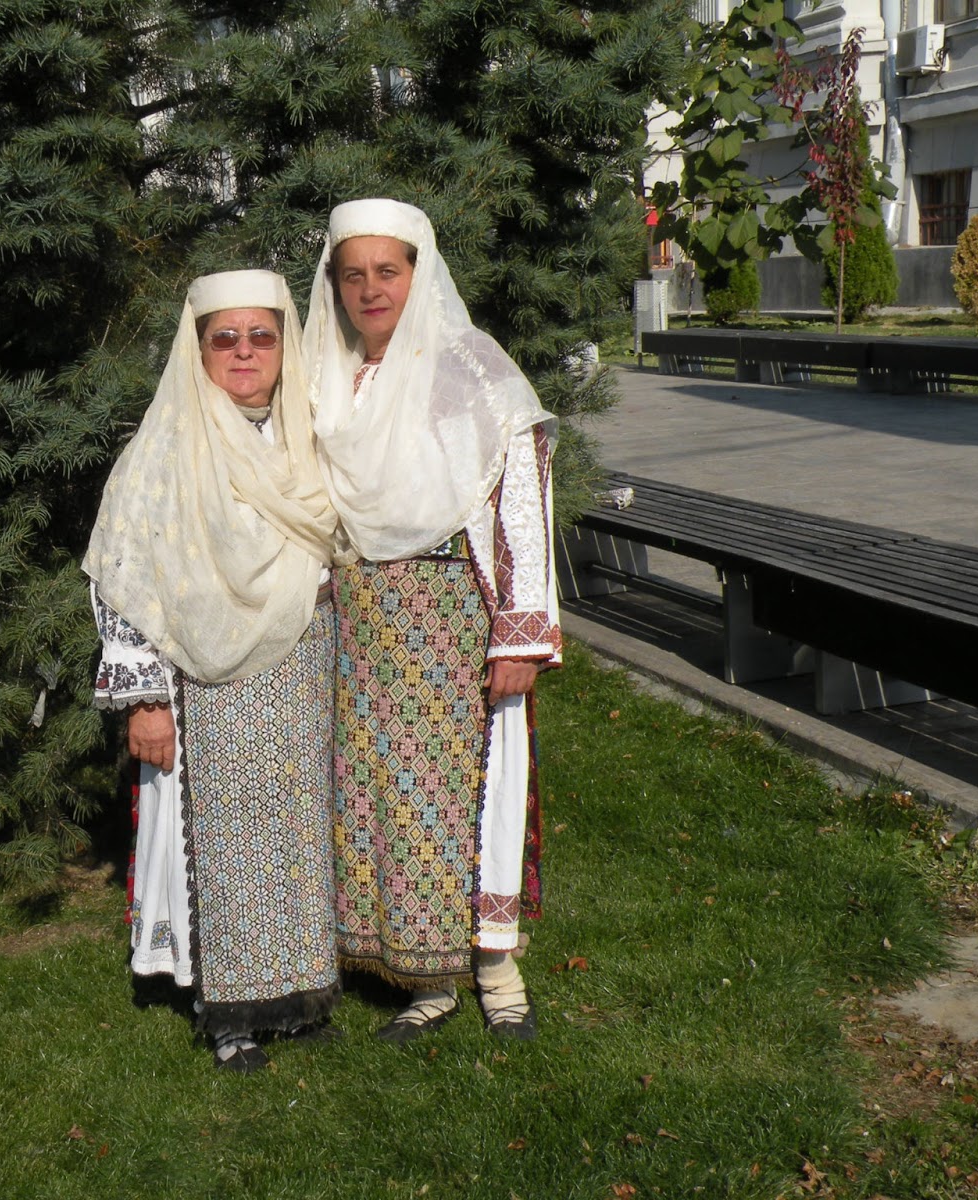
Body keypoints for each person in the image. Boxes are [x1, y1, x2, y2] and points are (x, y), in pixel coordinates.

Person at [303, 198, 562, 1042]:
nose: (372, 289)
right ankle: (425, 976)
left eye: (389, 270)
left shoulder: (468, 367)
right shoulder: (330, 376)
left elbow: (520, 490)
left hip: (451, 608)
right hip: (360, 617)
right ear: (335, 285)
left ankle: (496, 968)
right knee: (381, 796)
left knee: (464, 792)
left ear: (419, 273)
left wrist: (520, 631)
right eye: (355, 274)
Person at [83, 269, 345, 1072]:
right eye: (223, 338)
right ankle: (228, 1007)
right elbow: (124, 577)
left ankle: (298, 990)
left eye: (260, 336)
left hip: (301, 673)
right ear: (195, 351)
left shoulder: (308, 434)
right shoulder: (164, 447)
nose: (243, 352)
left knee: (299, 831)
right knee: (225, 839)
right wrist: (145, 701)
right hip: (206, 684)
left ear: (283, 345)